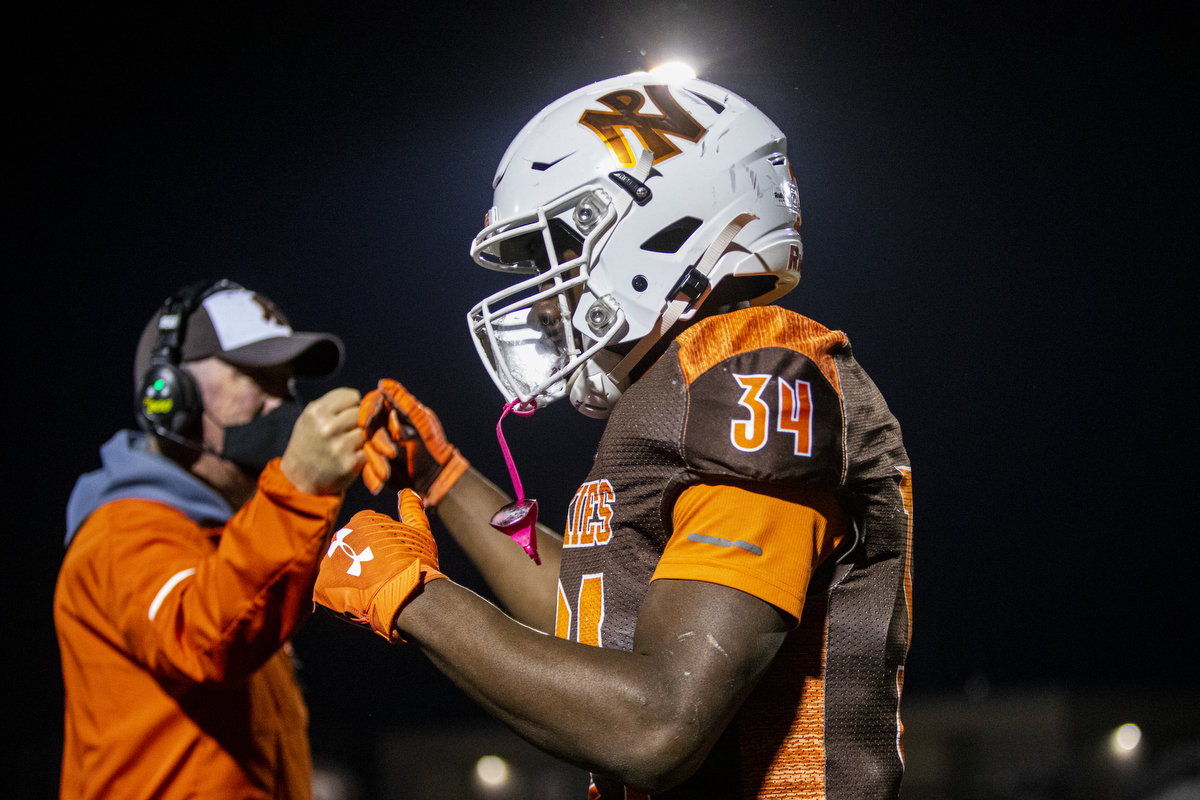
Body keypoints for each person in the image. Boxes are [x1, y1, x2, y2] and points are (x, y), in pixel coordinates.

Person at [318, 73, 914, 799]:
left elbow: (659, 724)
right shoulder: (681, 381)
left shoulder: (758, 369)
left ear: (659, 220)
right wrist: (444, 478)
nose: (549, 294)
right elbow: (589, 609)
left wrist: (414, 599)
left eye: (561, 251)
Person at [55, 279, 366, 799]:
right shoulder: (119, 529)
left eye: (286, 385)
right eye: (257, 379)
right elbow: (204, 634)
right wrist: (299, 490)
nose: (280, 405)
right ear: (169, 395)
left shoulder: (229, 536)